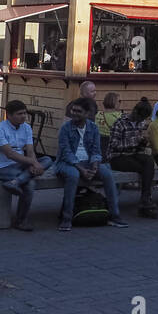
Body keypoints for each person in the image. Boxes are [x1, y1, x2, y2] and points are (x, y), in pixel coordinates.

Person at [53, 97, 127, 231]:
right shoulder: (66, 128)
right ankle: (66, 218)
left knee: (108, 175)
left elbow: (96, 150)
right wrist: (81, 169)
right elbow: (66, 152)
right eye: (73, 110)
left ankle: (115, 215)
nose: (74, 113)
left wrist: (94, 165)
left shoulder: (93, 128)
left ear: (87, 114)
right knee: (73, 175)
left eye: (78, 111)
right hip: (67, 163)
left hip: (88, 162)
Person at [0, 100, 52, 231]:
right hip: (2, 167)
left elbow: (30, 150)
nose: (24, 116)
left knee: (47, 159)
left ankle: (16, 182)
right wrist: (33, 163)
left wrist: (34, 164)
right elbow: (10, 154)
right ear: (9, 115)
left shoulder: (26, 127)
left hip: (21, 166)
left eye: (25, 113)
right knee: (30, 184)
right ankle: (21, 221)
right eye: (19, 114)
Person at [107, 97, 158, 218]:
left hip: (132, 154)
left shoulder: (140, 123)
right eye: (141, 118)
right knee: (143, 168)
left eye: (143, 119)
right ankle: (146, 201)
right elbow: (114, 145)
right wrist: (134, 142)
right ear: (135, 112)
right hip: (117, 157)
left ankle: (145, 198)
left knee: (148, 161)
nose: (141, 121)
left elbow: (137, 145)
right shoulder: (119, 123)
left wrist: (142, 142)